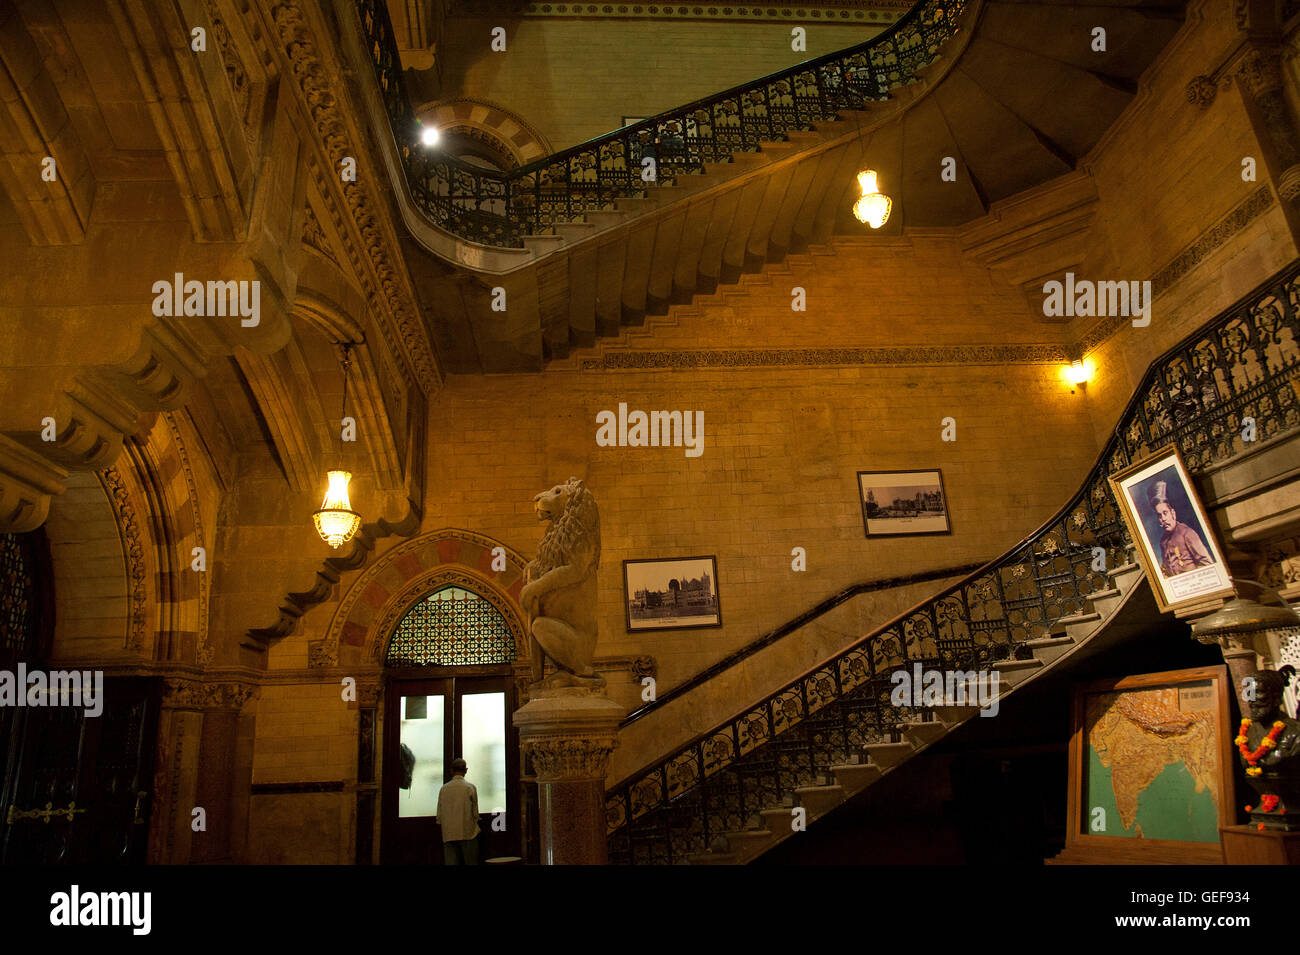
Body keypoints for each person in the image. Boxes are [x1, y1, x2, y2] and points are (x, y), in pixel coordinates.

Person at [1146, 480, 1212, 577]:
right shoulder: (1163, 541)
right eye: (1159, 516)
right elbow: (1166, 570)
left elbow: (1207, 563)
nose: (1163, 519)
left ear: (1173, 513)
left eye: (1165, 513)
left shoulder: (1187, 533)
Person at [436, 757, 480, 865]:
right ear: (466, 770)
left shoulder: (444, 789)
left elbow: (439, 814)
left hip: (449, 832)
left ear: (451, 770)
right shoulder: (470, 788)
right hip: (467, 831)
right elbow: (475, 813)